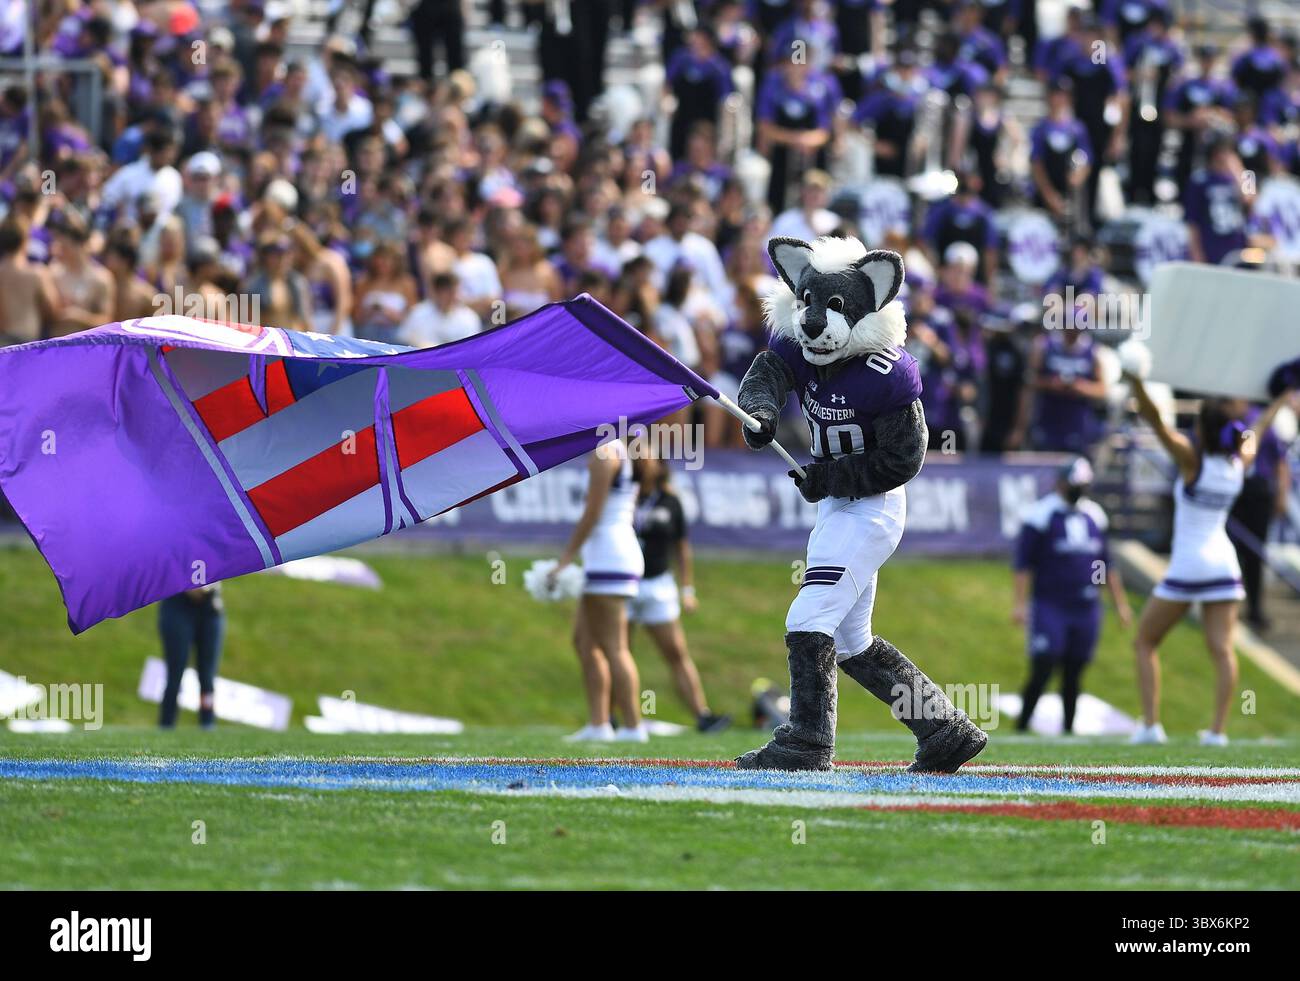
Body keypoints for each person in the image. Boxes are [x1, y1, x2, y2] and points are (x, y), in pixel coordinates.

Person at [1124, 371, 1295, 746]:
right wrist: (1281, 397)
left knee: (1145, 641)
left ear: (1201, 429)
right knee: (1221, 649)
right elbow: (1260, 426)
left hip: (1189, 564)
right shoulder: (1239, 462)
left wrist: (1136, 382)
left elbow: (1155, 420)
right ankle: (1217, 732)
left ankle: (1151, 725)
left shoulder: (1192, 461)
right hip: (1223, 564)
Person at [1013, 458, 1133, 735]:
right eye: (1075, 484)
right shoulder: (1041, 515)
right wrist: (1019, 604)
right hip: (1050, 602)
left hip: (1086, 605)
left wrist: (1120, 604)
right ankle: (1021, 726)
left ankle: (1068, 730)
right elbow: (1023, 564)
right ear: (1061, 482)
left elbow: (1105, 564)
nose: (1079, 489)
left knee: (1075, 668)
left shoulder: (1094, 515)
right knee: (1044, 662)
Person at [550, 438, 648, 743]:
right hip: (606, 554)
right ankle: (599, 723)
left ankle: (633, 727)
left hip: (610, 554)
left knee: (614, 646)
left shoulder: (607, 451)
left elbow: (592, 514)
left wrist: (564, 561)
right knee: (583, 640)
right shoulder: (616, 449)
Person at [631, 455, 730, 733]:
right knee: (619, 651)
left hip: (657, 583)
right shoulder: (620, 494)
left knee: (676, 652)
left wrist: (687, 589)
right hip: (624, 583)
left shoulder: (669, 501)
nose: (641, 461)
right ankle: (617, 716)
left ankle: (702, 714)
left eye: (647, 458)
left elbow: (682, 548)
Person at [158, 584, 226, 729]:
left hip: (210, 607)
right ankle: (166, 724)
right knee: (175, 673)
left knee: (208, 675)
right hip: (177, 604)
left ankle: (208, 723)